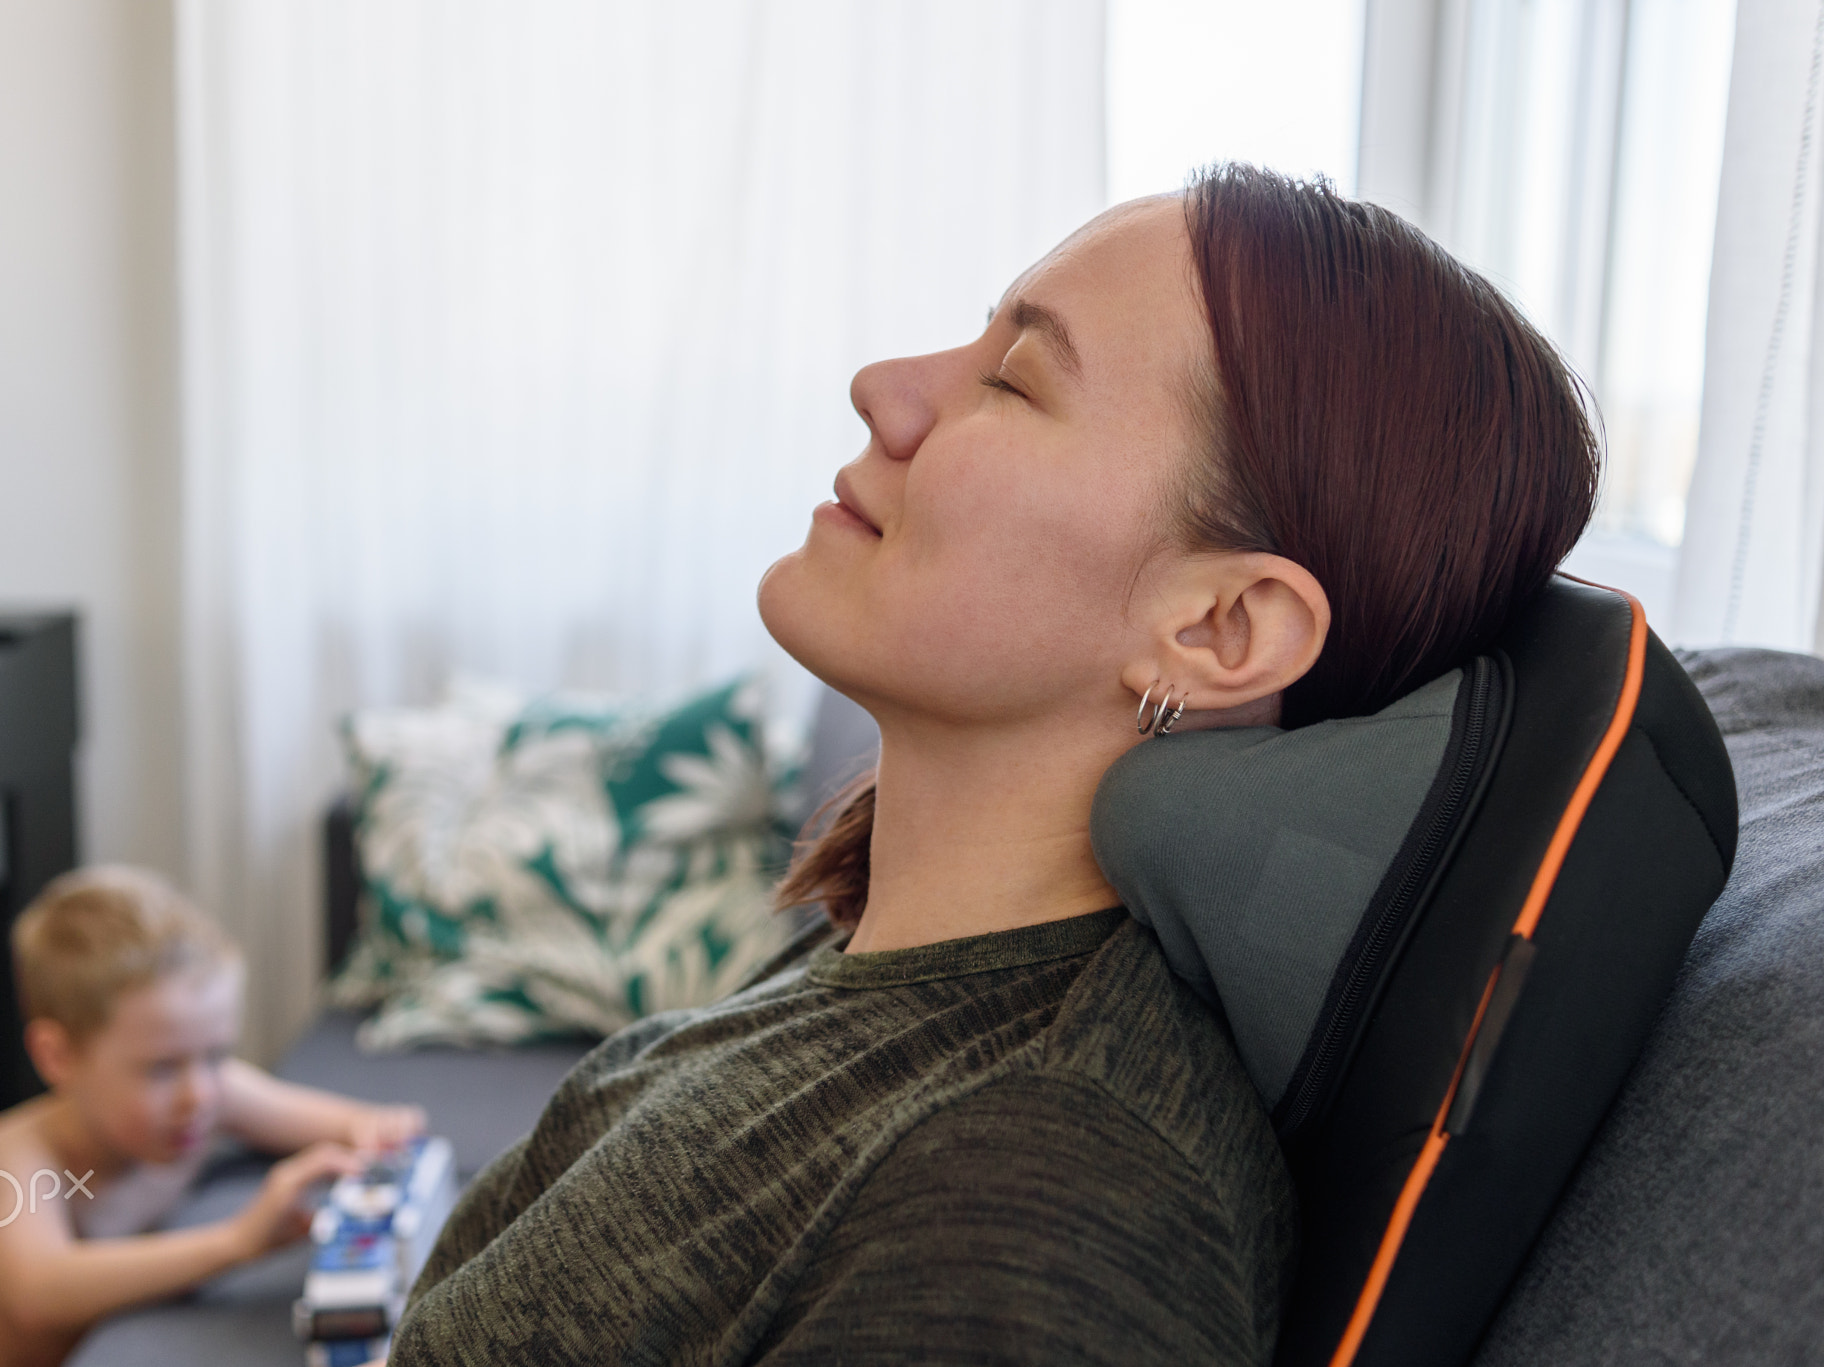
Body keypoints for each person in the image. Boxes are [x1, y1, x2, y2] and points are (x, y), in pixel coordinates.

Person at [385, 163, 1598, 1366]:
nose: (881, 390)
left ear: (1218, 629)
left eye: (1013, 382)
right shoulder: (882, 974)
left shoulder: (1038, 1200)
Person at [0, 865, 427, 1367]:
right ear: (59, 1056)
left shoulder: (197, 1093)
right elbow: (39, 1292)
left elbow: (345, 1123)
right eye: (160, 1068)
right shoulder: (18, 1158)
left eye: (217, 1055)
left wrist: (373, 1135)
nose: (199, 1093)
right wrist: (237, 1240)